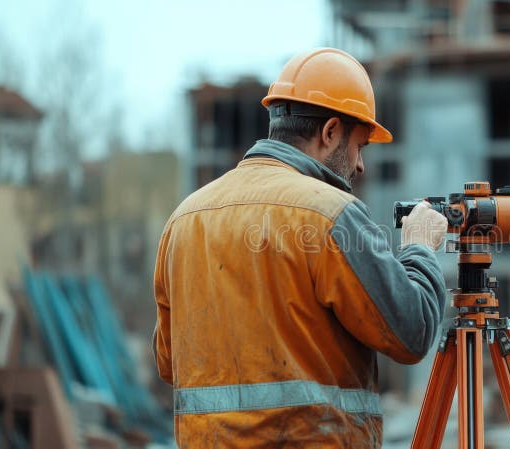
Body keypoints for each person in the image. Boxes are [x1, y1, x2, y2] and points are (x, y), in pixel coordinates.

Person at [152, 47, 448, 448]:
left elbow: (170, 364)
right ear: (329, 133)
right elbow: (412, 332)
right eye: (360, 146)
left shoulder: (184, 220)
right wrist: (419, 249)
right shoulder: (332, 215)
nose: (360, 166)